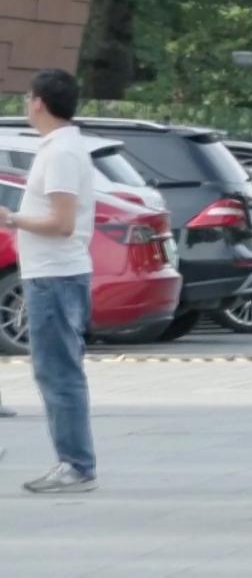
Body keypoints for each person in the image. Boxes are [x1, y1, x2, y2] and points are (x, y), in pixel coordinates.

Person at [0, 69, 98, 493]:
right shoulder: (62, 147)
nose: (25, 105)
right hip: (55, 276)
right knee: (57, 370)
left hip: (56, 277)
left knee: (57, 372)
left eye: (27, 98)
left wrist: (11, 218)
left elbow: (61, 222)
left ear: (40, 102)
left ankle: (75, 464)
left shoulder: (60, 153)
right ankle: (74, 461)